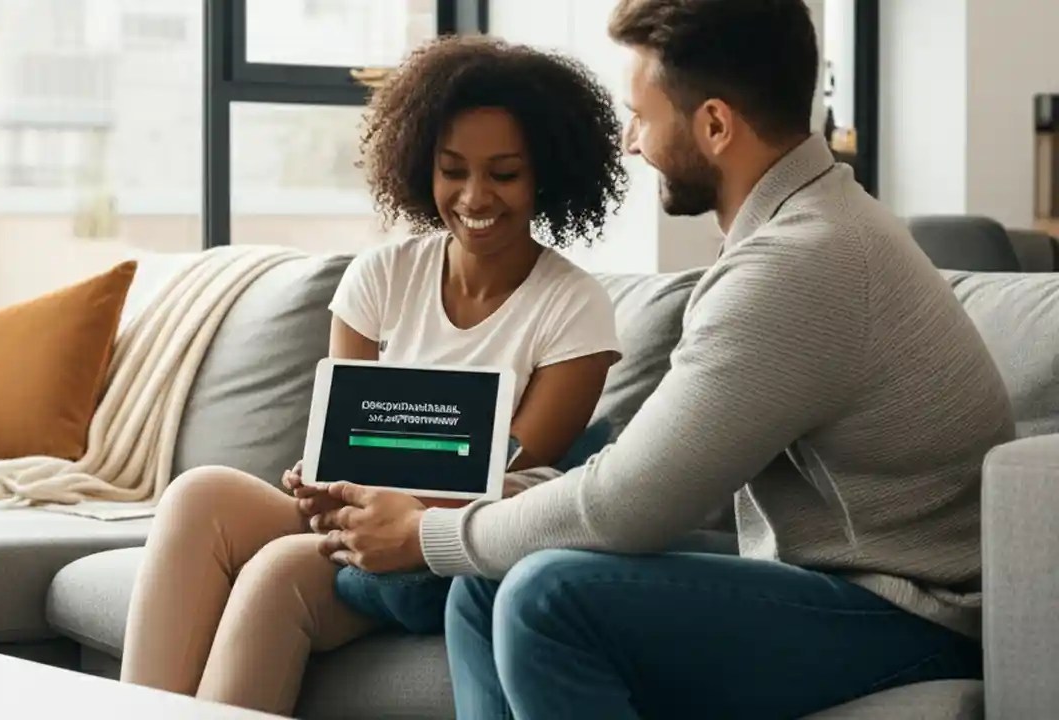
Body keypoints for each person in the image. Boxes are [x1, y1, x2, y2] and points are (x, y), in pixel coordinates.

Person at [303, 1, 1017, 718]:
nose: (629, 142)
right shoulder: (809, 225)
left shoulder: (798, 264)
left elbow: (625, 506)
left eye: (640, 115)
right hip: (846, 585)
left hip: (914, 614)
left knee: (545, 596)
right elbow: (661, 474)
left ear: (713, 124)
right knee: (488, 583)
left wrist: (425, 535)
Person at [119, 36, 628, 716]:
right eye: (453, 170)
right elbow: (344, 437)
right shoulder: (382, 275)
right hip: (366, 511)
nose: (475, 196)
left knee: (277, 572)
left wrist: (392, 502)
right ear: (422, 164)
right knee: (198, 496)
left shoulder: (575, 308)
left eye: (504, 174)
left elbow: (511, 481)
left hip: (458, 546)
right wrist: (322, 477)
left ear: (546, 176)